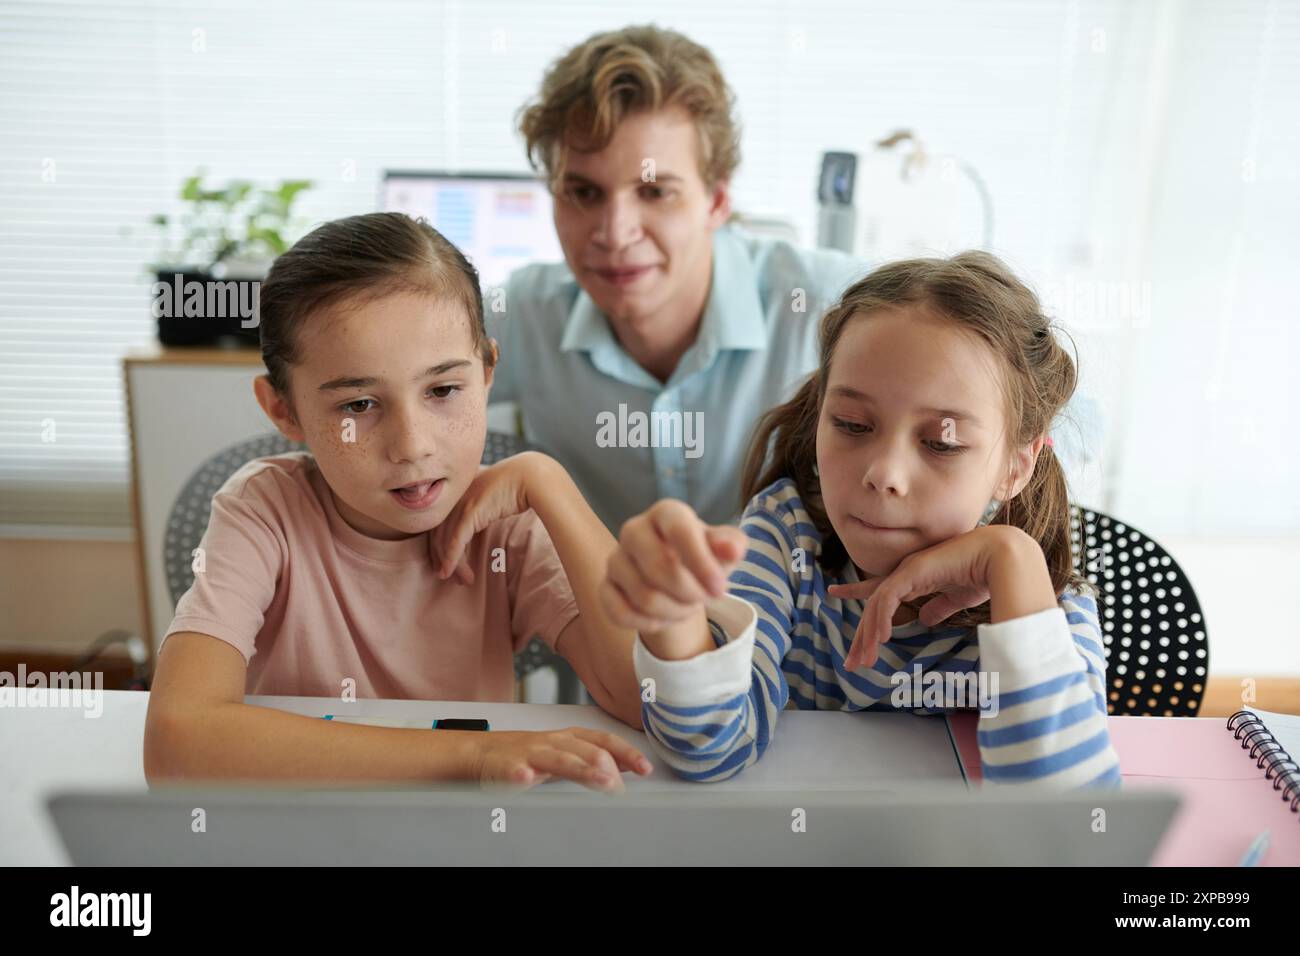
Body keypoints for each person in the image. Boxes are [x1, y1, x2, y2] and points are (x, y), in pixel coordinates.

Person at [145, 212, 650, 792]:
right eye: (358, 405)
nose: (412, 446)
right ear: (283, 409)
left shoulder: (509, 528)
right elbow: (175, 743)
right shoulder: (263, 513)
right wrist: (471, 755)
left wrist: (552, 484)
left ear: (487, 371)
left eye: (441, 390)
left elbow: (648, 700)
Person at [599, 251, 1121, 787]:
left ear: (1016, 466)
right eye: (851, 424)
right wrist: (673, 616)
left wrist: (1011, 559)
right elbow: (709, 751)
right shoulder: (787, 535)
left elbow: (1063, 815)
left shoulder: (1042, 597)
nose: (884, 473)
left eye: (941, 443)